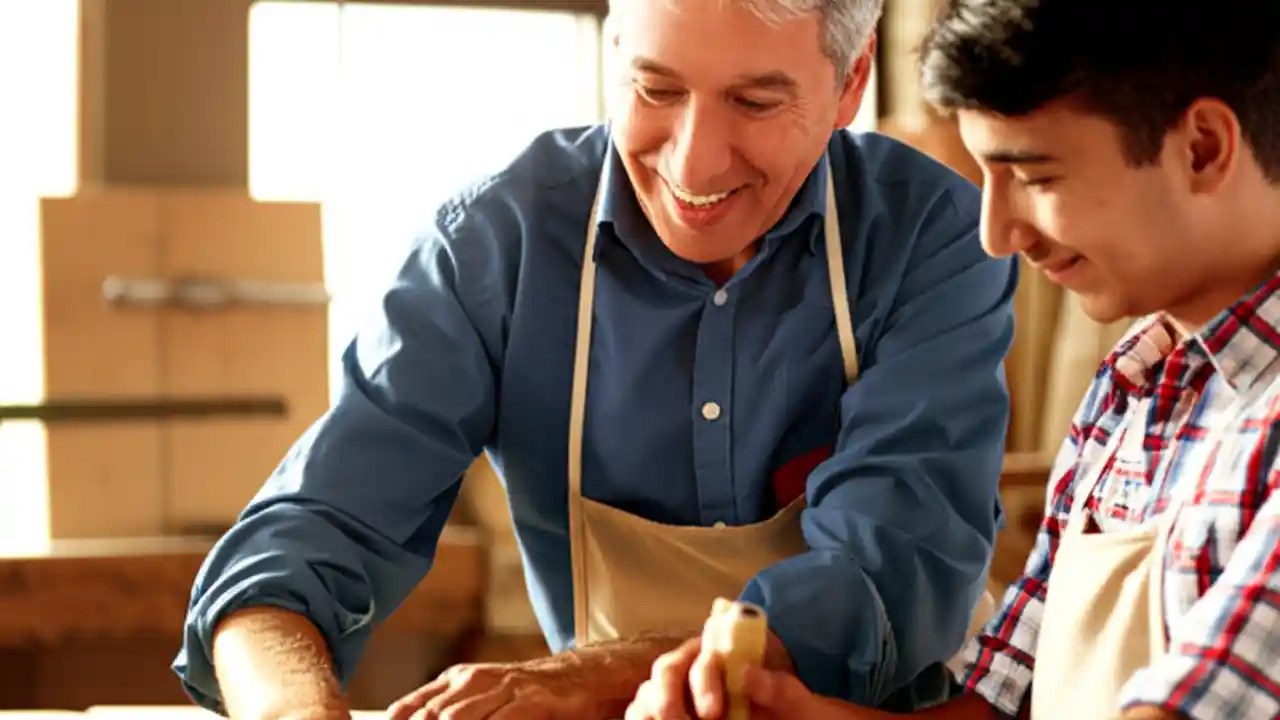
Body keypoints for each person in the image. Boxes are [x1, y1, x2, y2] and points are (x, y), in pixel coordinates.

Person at [172, 0, 1017, 717]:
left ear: (851, 82)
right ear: (614, 52)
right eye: (656, 89)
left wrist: (589, 679)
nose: (694, 161)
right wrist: (293, 705)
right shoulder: (496, 245)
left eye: (756, 102)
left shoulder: (937, 237)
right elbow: (306, 538)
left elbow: (889, 566)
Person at [650, 0, 1280, 718]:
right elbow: (1000, 704)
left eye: (1036, 177)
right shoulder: (1128, 393)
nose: (997, 233)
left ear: (1201, 148)